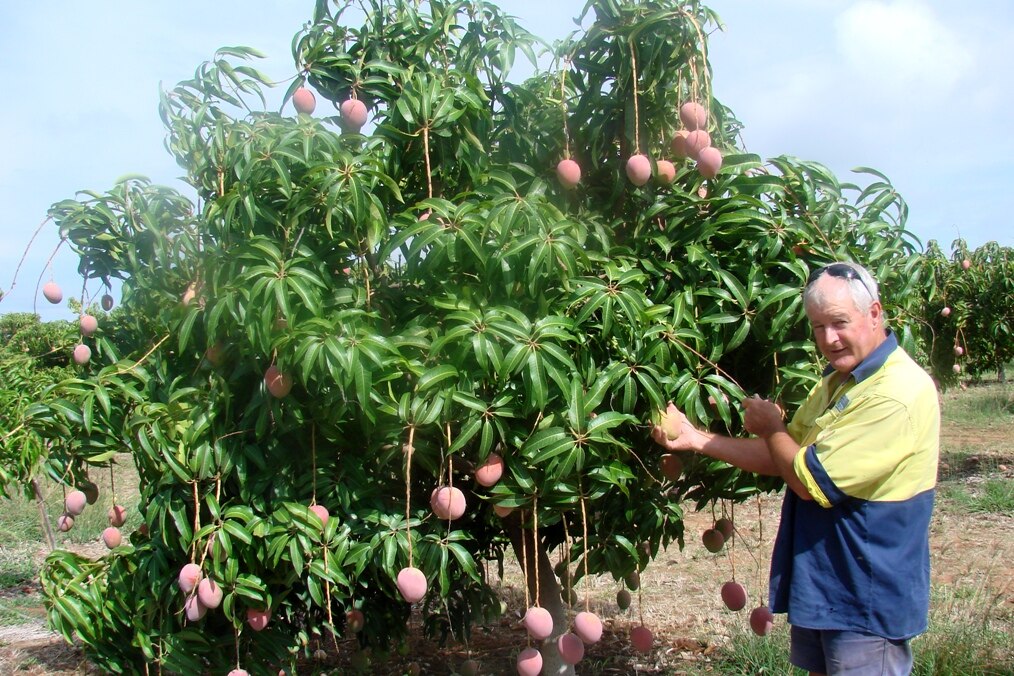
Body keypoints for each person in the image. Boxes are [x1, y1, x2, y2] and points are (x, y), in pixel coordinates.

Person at [653, 261, 939, 676]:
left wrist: (772, 426)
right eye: (818, 326)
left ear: (874, 313)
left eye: (839, 323)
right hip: (827, 585)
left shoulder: (895, 393)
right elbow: (782, 454)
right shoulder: (840, 381)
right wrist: (694, 438)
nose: (829, 338)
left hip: (865, 595)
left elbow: (809, 480)